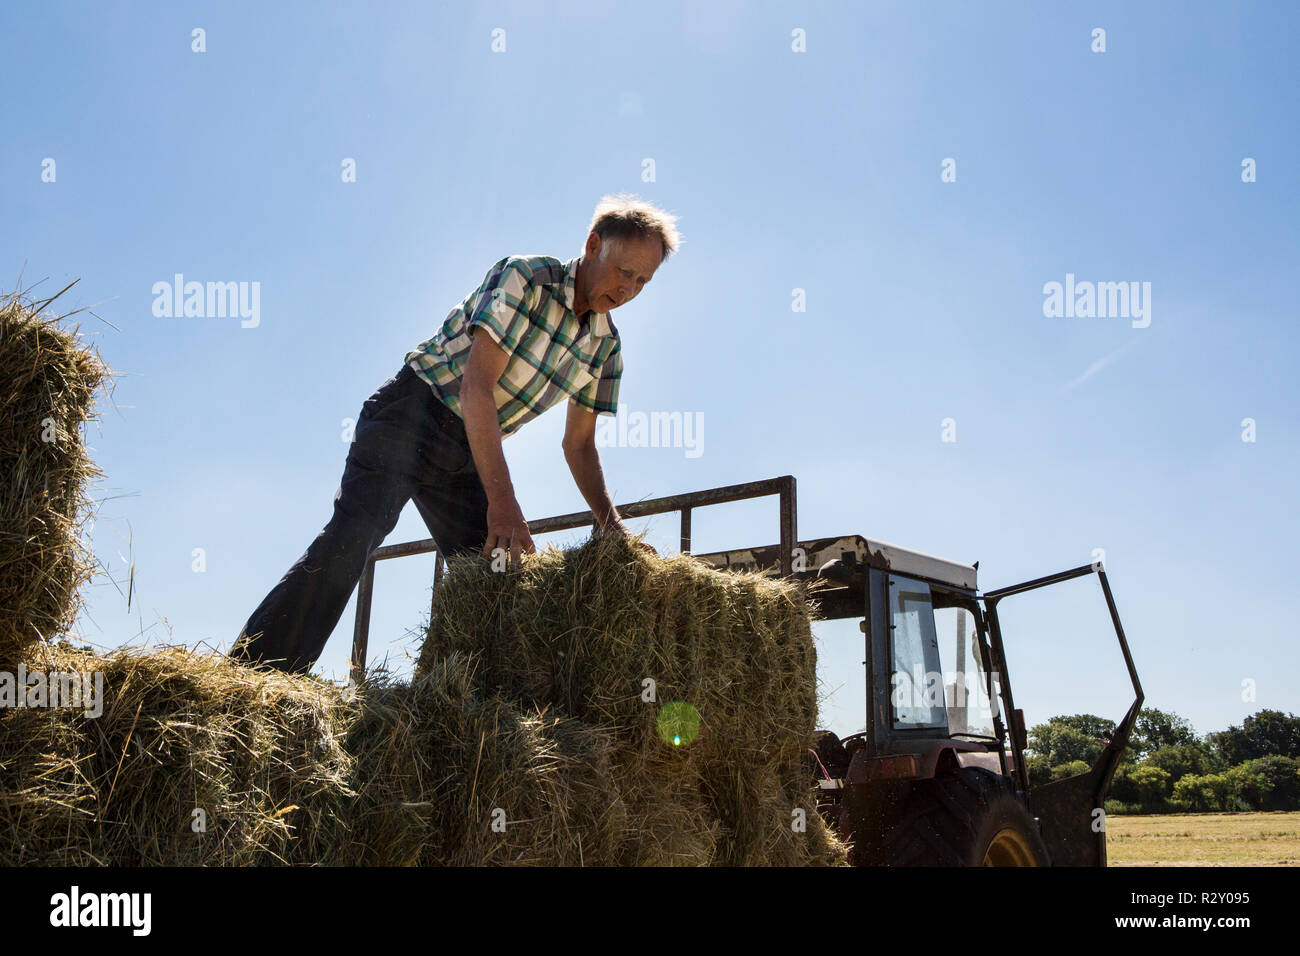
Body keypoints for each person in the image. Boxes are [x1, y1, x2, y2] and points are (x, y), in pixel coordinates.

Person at [229, 194, 680, 674]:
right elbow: (476, 388)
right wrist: (503, 505)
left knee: (492, 575)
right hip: (413, 413)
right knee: (355, 534)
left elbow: (580, 445)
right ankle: (253, 678)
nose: (629, 288)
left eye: (643, 281)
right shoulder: (527, 278)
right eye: (623, 271)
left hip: (466, 450)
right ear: (593, 246)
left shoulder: (606, 350)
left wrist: (613, 527)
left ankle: (450, 702)